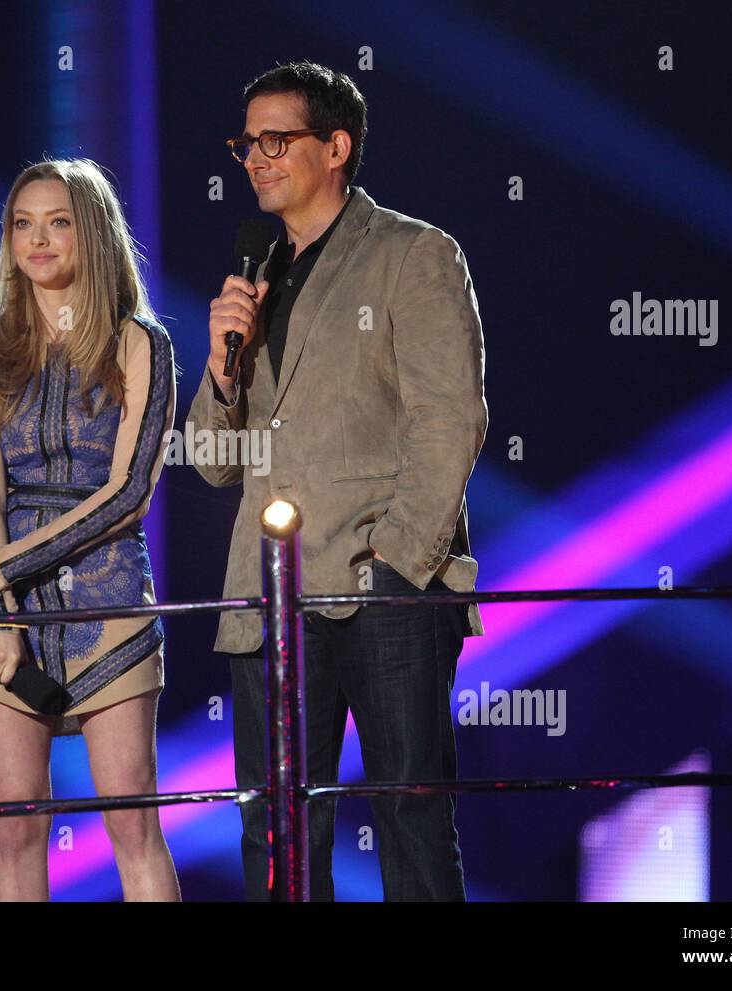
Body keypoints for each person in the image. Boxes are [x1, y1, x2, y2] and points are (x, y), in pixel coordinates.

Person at [186, 62, 488, 901]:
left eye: (277, 139)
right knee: (276, 830)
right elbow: (212, 460)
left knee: (411, 817)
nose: (256, 156)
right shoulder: (260, 273)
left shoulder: (412, 253)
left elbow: (450, 417)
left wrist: (396, 565)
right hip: (272, 598)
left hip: (382, 589)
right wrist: (220, 368)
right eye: (247, 141)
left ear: (337, 147)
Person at [0, 158, 180, 901]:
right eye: (23, 223)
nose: (38, 239)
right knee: (17, 829)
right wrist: (1, 614)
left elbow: (129, 495)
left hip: (108, 601)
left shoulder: (140, 345)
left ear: (94, 234)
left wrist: (5, 567)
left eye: (58, 222)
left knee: (132, 825)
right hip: (4, 617)